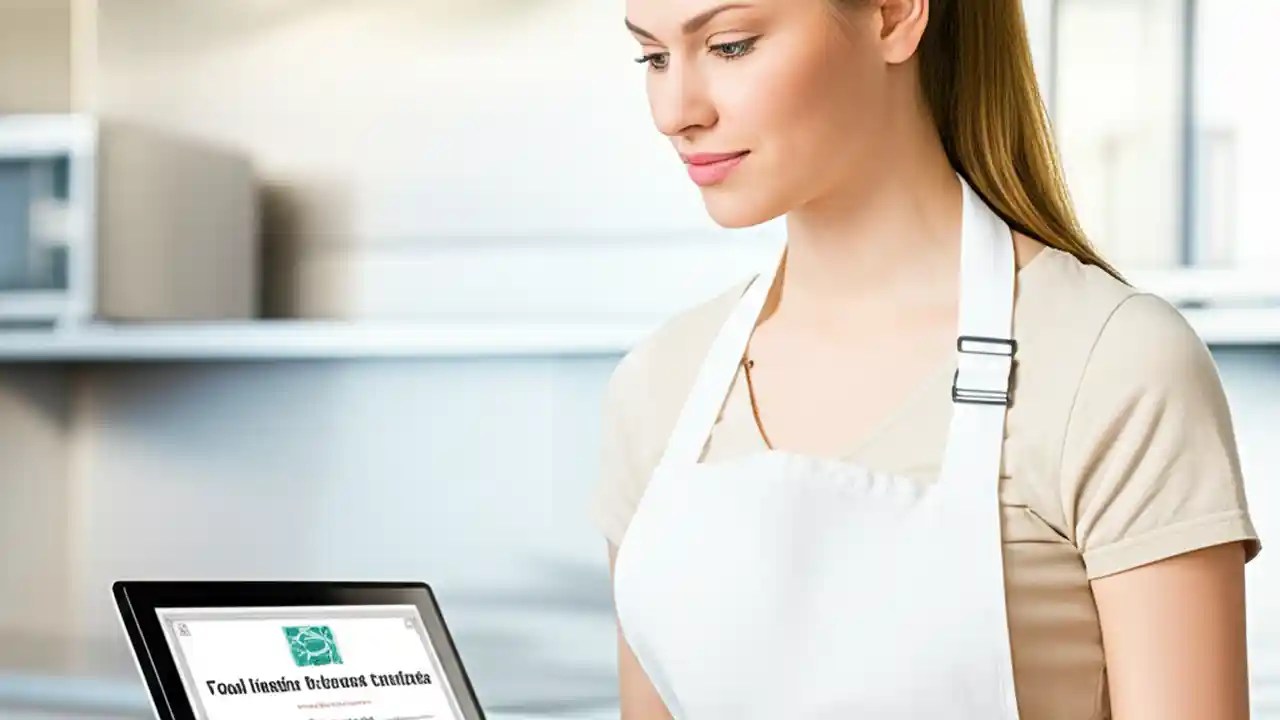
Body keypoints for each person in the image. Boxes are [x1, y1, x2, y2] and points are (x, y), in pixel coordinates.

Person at [586, 0, 1263, 718]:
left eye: (729, 46)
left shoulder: (1111, 365)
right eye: (653, 58)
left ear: (892, 16)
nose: (674, 111)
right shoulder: (661, 388)